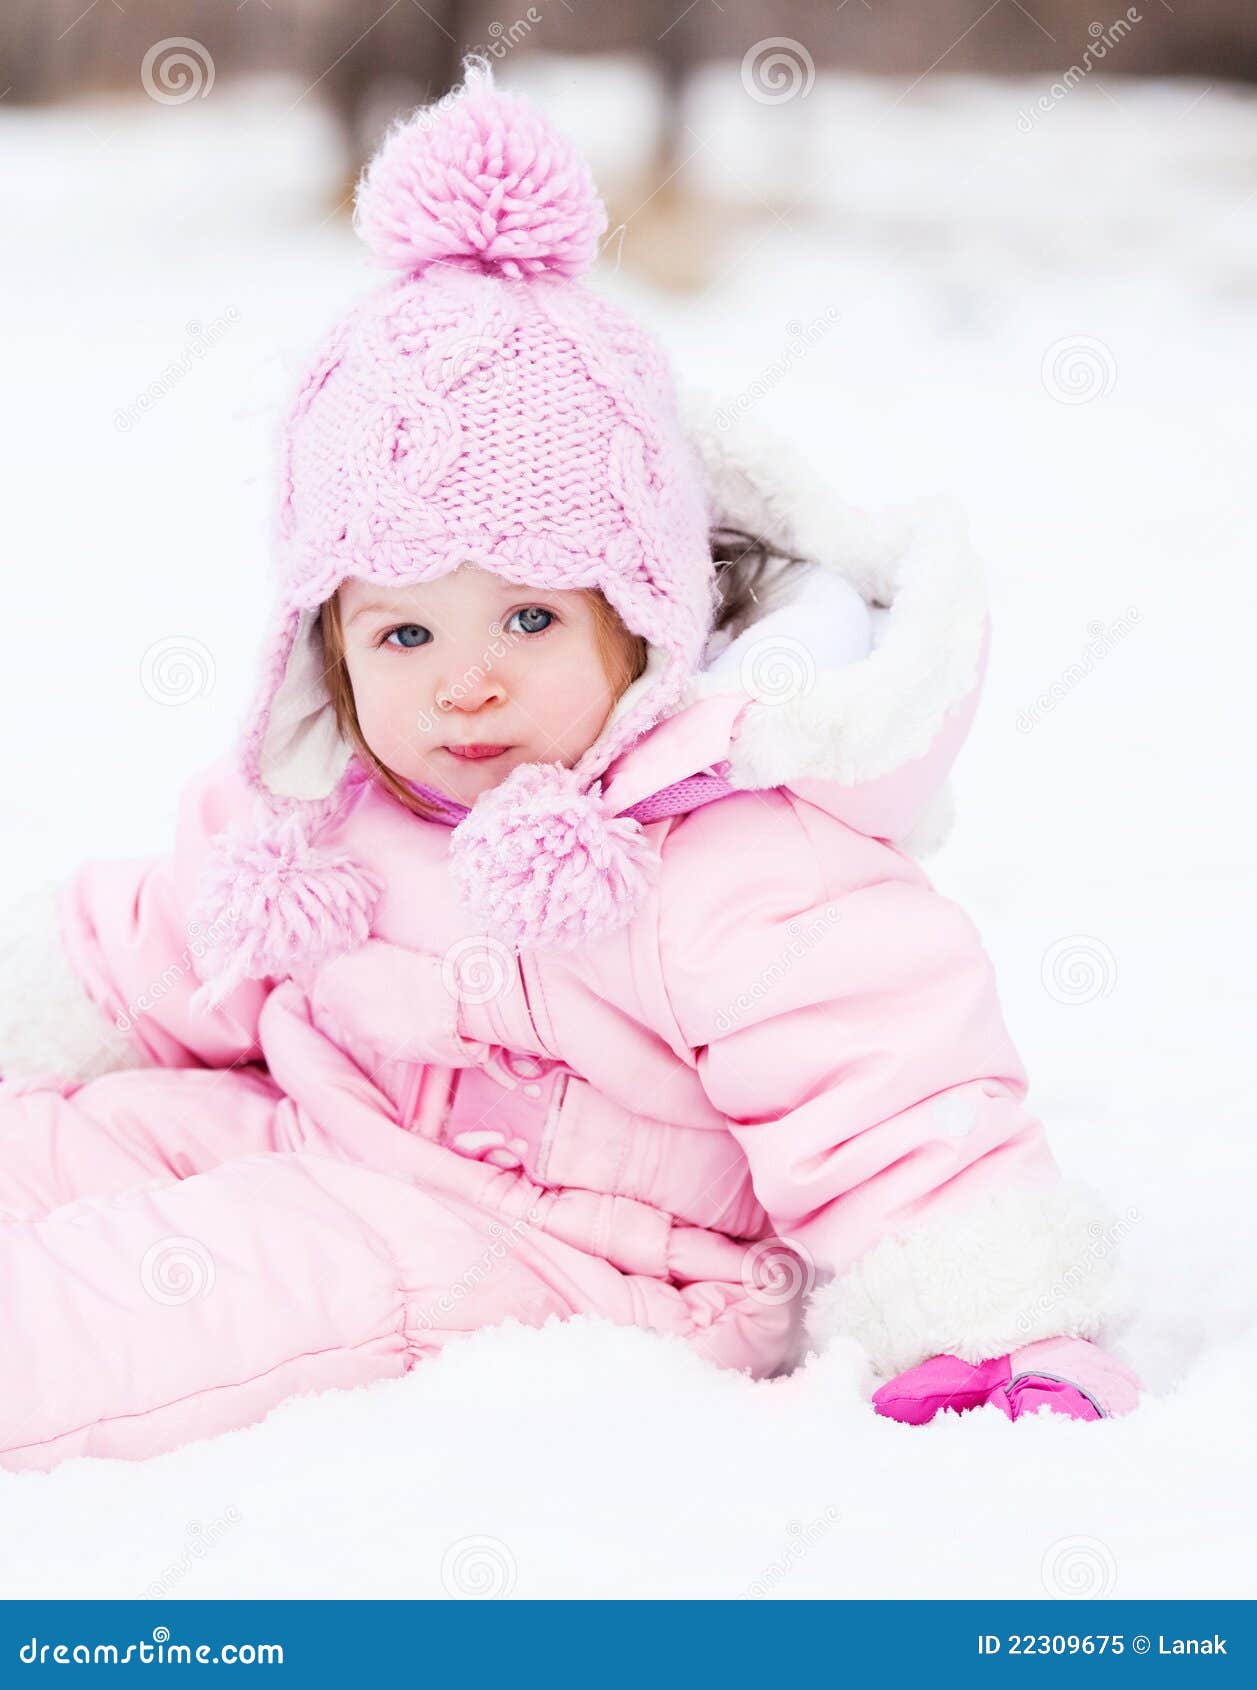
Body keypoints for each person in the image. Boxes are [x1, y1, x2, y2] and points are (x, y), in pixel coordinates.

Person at [0, 61, 1140, 1473]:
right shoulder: (327, 806)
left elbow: (890, 1094)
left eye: (530, 617)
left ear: (643, 617)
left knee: (184, 1283)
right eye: (405, 628)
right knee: (70, 1136)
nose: (464, 679)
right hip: (322, 1129)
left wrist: (993, 1321)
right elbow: (151, 943)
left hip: (571, 1244)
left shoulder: (729, 856)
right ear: (331, 641)